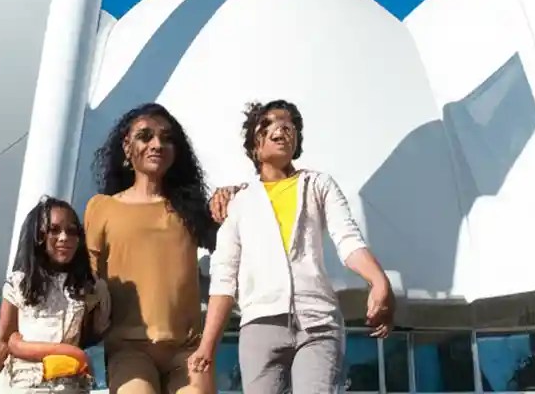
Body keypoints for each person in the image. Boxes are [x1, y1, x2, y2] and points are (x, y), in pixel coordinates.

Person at [187, 100, 395, 394]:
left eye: (289, 125)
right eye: (269, 123)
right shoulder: (239, 203)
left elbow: (347, 238)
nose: (282, 128)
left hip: (318, 323)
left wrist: (378, 280)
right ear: (254, 144)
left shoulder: (318, 185)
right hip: (260, 326)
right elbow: (224, 278)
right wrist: (207, 346)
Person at [83, 103, 218, 394]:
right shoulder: (102, 207)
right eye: (146, 136)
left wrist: (231, 196)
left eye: (167, 138)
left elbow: (230, 251)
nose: (157, 144)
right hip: (127, 350)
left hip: (188, 351)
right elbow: (87, 277)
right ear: (127, 146)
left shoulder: (190, 210)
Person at [0, 197, 110, 394]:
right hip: (22, 385)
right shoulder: (20, 283)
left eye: (72, 231)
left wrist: (20, 345)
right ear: (38, 236)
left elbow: (90, 339)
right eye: (54, 230)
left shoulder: (91, 288)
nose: (64, 238)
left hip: (68, 386)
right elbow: (4, 340)